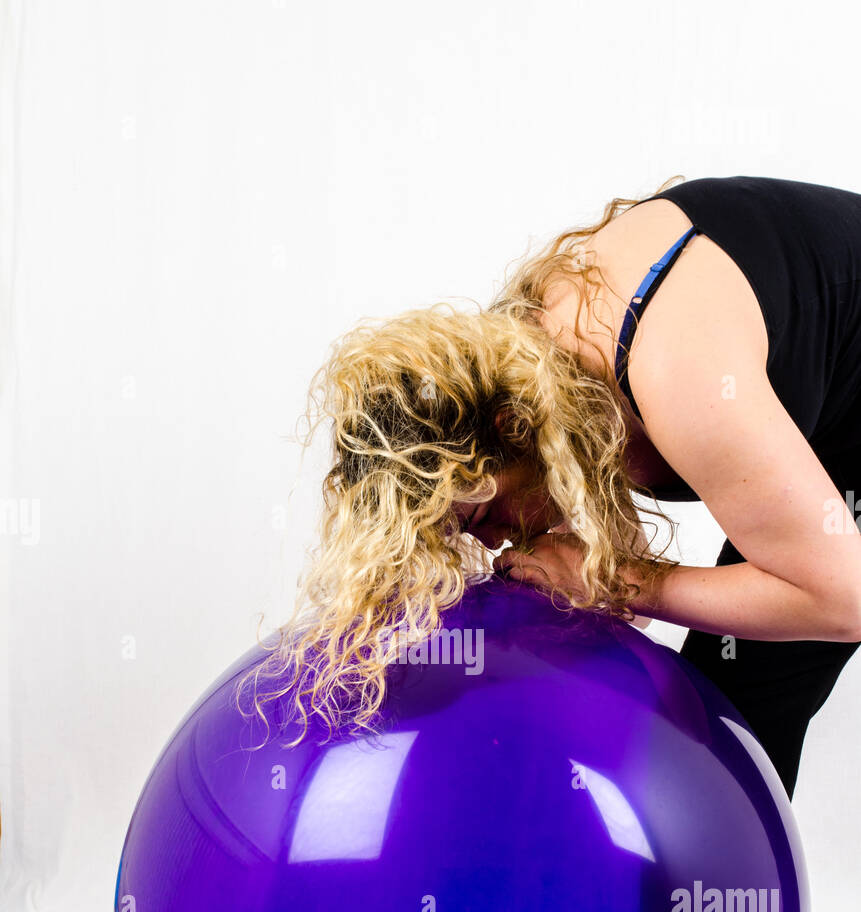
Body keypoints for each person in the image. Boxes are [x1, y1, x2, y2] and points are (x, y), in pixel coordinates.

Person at [248, 176, 861, 797]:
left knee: (735, 720)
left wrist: (619, 582)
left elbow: (847, 600)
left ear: (509, 431)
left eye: (475, 518)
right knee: (724, 712)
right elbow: (622, 618)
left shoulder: (676, 372)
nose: (488, 544)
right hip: (838, 424)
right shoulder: (535, 377)